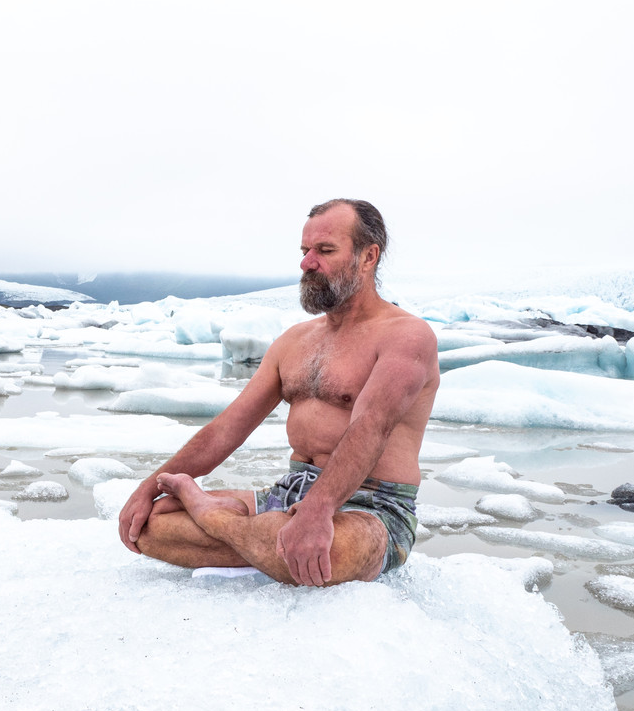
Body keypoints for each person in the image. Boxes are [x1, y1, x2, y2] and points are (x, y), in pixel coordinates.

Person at [117, 199, 439, 586]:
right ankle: (270, 544)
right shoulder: (294, 341)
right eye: (305, 251)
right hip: (289, 493)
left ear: (368, 256)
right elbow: (226, 429)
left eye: (325, 251)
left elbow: (371, 427)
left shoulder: (407, 336)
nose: (307, 263)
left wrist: (318, 510)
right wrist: (148, 486)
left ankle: (223, 522)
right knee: (150, 523)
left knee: (328, 556)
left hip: (373, 506)